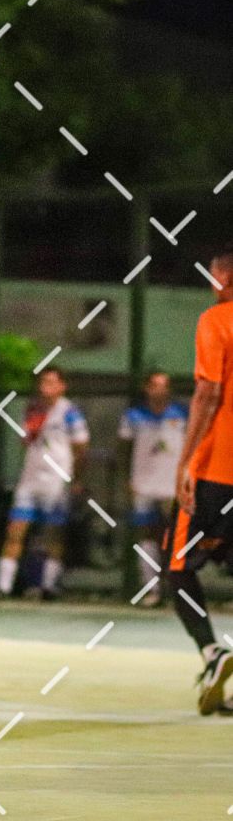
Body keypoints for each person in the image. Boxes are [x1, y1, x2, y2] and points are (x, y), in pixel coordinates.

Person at [167, 249, 233, 716]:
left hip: (217, 470)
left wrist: (186, 460)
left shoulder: (216, 320)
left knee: (178, 567)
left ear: (222, 277)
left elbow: (208, 392)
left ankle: (213, 653)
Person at [0, 368, 89, 599]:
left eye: (51, 382)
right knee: (15, 530)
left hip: (56, 481)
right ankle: (2, 586)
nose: (45, 385)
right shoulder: (33, 410)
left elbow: (81, 447)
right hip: (30, 480)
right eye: (43, 381)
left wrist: (76, 479)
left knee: (53, 533)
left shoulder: (70, 412)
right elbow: (26, 442)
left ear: (62, 386)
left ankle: (48, 586)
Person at [118, 371, 188, 607]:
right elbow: (124, 450)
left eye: (164, 386)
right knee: (146, 535)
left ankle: (178, 590)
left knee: (175, 536)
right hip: (143, 485)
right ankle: (152, 589)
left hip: (172, 486)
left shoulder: (182, 414)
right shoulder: (133, 416)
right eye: (155, 385)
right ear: (146, 388)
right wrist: (128, 479)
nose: (160, 390)